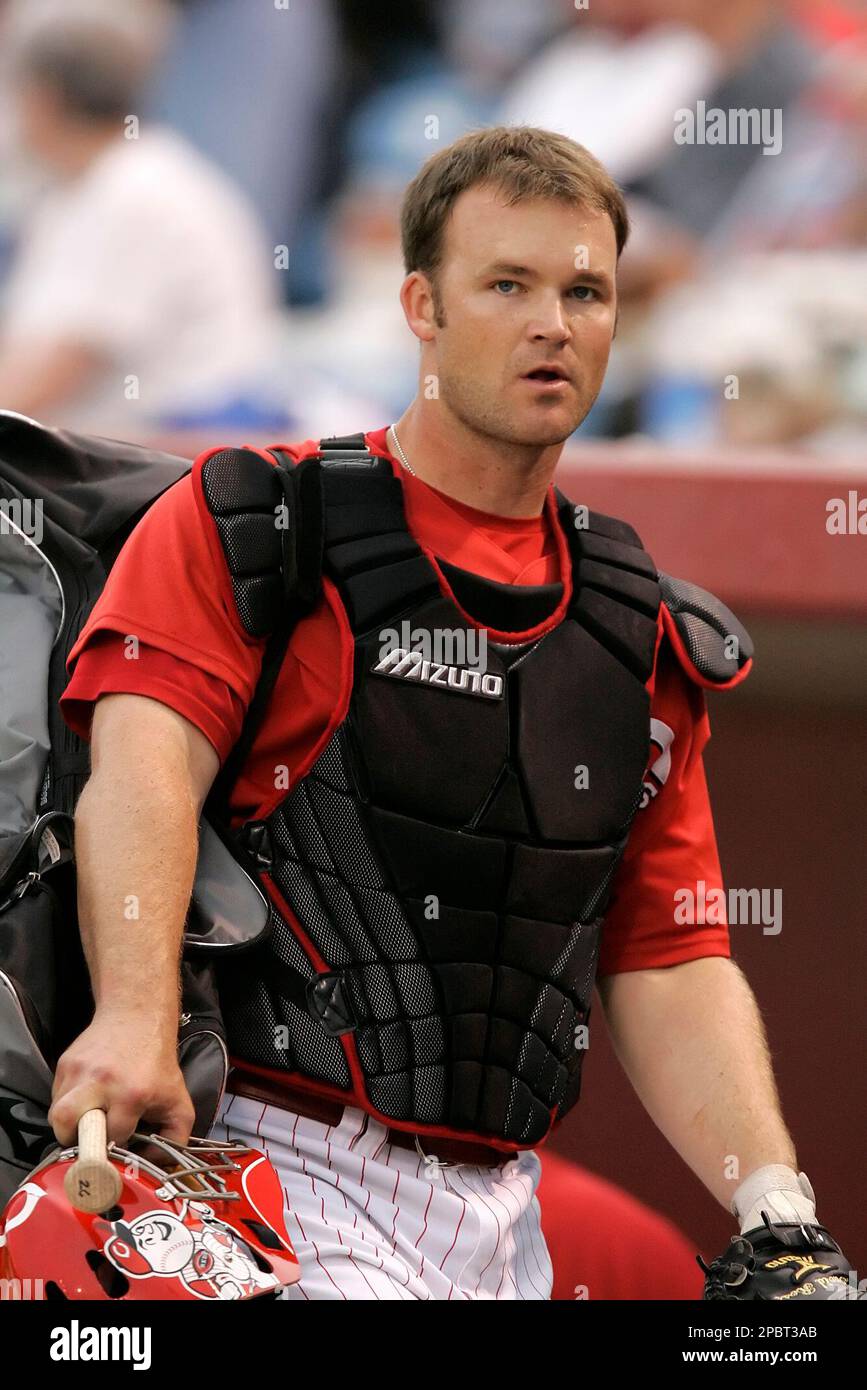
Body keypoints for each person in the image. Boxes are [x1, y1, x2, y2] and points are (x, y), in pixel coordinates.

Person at [52, 126, 819, 1300]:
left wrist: (771, 1201)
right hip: (262, 1162)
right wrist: (132, 1020)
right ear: (420, 303)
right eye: (506, 284)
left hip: (504, 1210)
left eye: (585, 290)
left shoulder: (640, 624)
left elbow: (669, 947)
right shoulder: (259, 522)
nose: (552, 322)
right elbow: (141, 771)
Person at [0, 0, 278, 436]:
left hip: (176, 462)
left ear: (41, 99)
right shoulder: (84, 186)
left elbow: (46, 377)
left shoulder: (132, 190)